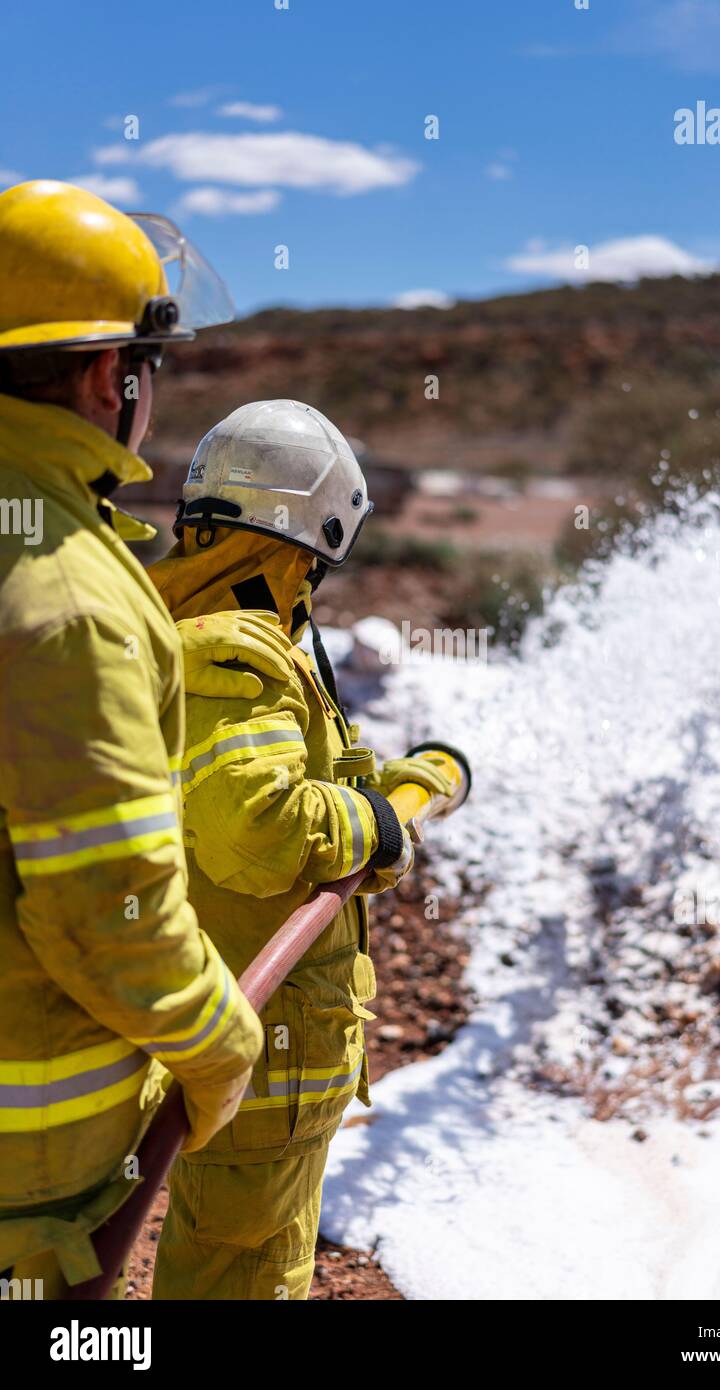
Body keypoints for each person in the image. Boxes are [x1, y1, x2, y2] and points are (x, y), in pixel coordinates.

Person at [0, 181, 289, 1297]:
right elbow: (106, 908)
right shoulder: (67, 596)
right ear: (103, 376)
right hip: (28, 1187)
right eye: (146, 366)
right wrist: (222, 1044)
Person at [149, 399, 455, 1299]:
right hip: (264, 1043)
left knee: (250, 1250)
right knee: (244, 1272)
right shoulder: (235, 652)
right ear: (314, 533)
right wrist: (380, 825)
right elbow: (261, 827)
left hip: (247, 1037)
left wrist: (395, 781)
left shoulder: (190, 633)